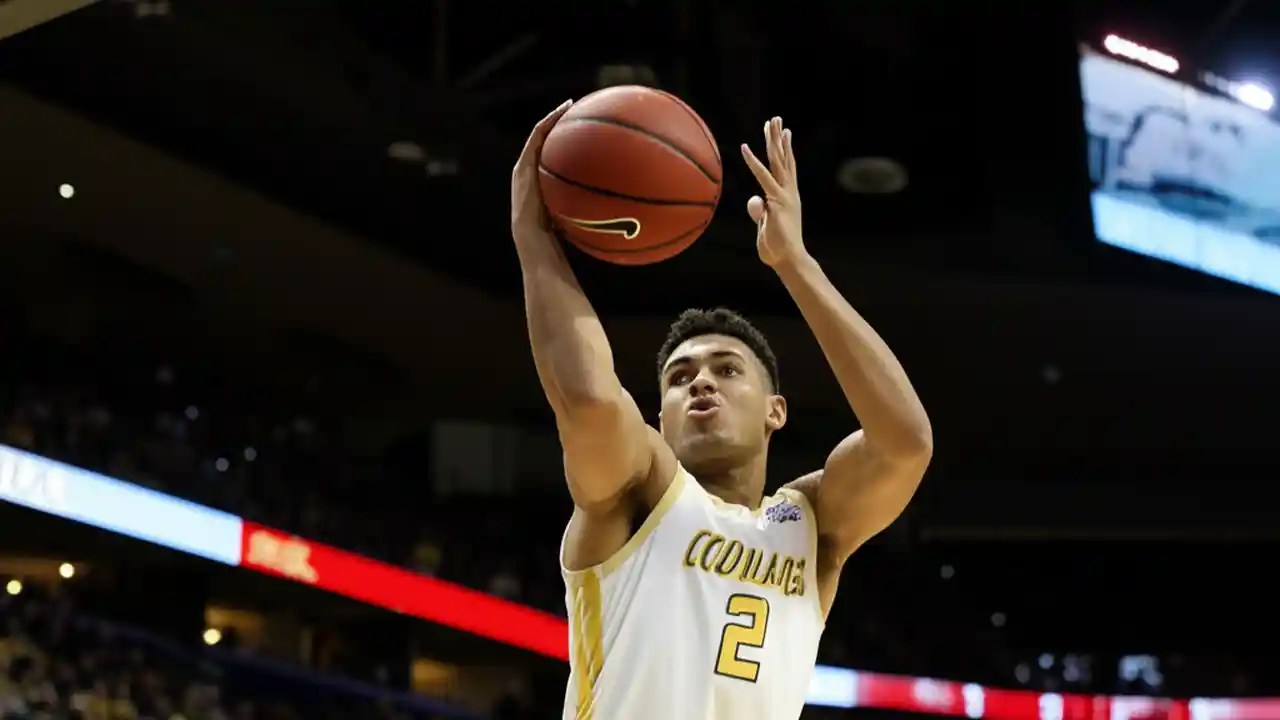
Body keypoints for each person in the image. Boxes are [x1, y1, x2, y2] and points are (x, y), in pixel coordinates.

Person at [510, 103, 933, 720]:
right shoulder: (639, 493)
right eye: (679, 379)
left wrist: (796, 263)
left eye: (727, 370)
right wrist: (535, 238)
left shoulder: (811, 526)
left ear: (775, 411)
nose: (700, 383)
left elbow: (905, 442)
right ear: (658, 421)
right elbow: (593, 401)